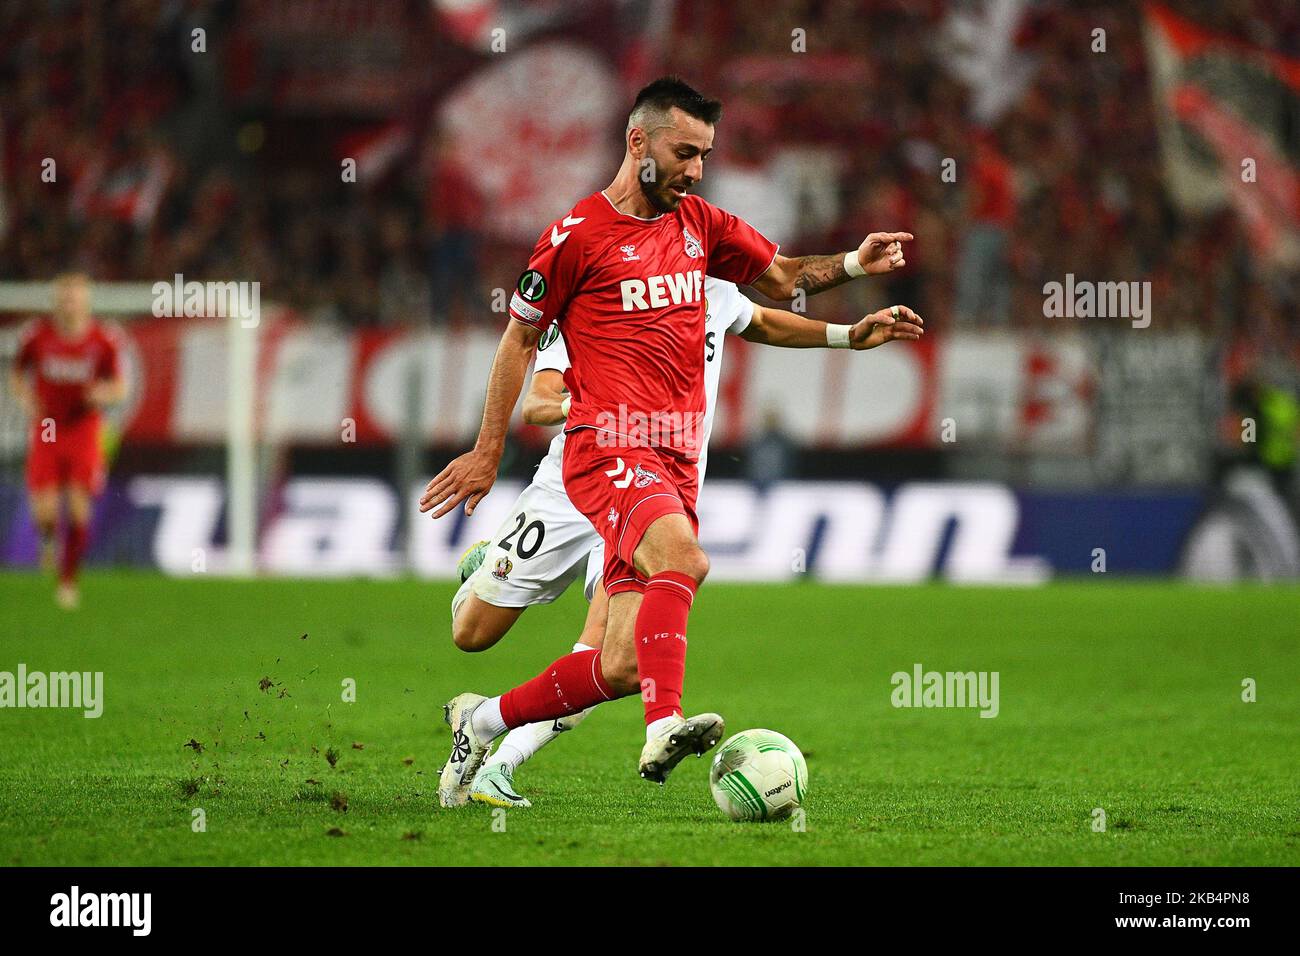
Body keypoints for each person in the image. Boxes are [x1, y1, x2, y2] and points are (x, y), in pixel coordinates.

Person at [419, 77, 913, 806]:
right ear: (637, 142)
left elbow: (778, 283)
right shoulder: (574, 238)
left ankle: (481, 721)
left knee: (617, 665)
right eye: (686, 153)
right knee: (682, 560)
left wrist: (849, 267)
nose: (697, 170)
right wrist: (487, 451)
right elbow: (520, 340)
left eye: (705, 155)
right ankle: (665, 725)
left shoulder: (701, 226)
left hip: (674, 468)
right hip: (607, 447)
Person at [449, 276, 922, 807]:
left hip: (655, 486)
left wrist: (844, 334)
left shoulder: (713, 286)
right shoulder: (601, 288)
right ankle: (485, 586)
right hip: (577, 475)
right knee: (473, 633)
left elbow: (765, 318)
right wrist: (588, 408)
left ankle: (500, 757)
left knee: (615, 660)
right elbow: (538, 402)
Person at [9, 273, 127, 609]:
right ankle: (48, 540)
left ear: (86, 302)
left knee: (77, 509)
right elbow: (17, 375)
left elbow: (119, 386)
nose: (69, 303)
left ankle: (67, 581)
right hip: (47, 425)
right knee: (45, 510)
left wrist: (105, 393)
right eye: (64, 297)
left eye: (75, 297)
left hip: (84, 428)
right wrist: (26, 397)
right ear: (56, 302)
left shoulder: (103, 340)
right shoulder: (37, 337)